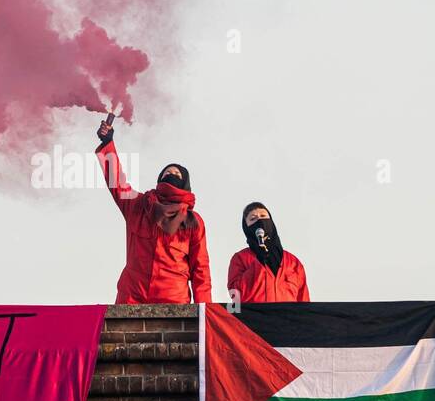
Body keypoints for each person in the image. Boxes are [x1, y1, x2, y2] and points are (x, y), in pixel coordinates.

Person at [95, 118, 212, 304]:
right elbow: (116, 182)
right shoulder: (139, 205)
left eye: (176, 174)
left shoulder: (193, 220)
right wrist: (108, 144)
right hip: (132, 298)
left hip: (174, 303)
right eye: (167, 173)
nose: (171, 175)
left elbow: (200, 269)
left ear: (185, 184)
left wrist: (206, 312)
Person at [227, 202, 310, 302]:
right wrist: (258, 263)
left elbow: (304, 303)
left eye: (263, 216)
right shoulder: (239, 259)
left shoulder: (293, 262)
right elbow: (235, 300)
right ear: (246, 227)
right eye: (253, 218)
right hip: (254, 317)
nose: (260, 220)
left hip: (285, 317)